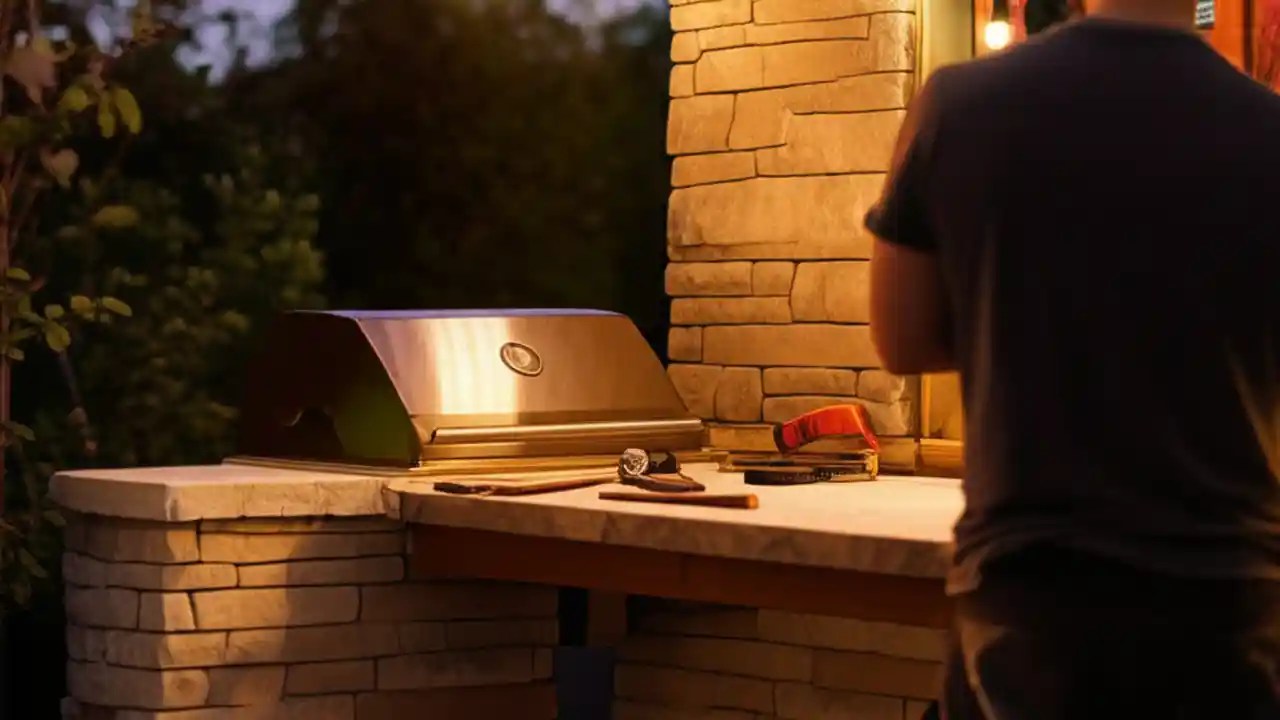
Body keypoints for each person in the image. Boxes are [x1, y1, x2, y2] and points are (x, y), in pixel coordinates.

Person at [865, 0, 1280, 717]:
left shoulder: (958, 104)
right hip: (1226, 607)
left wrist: (1028, 334)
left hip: (1032, 603)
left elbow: (902, 338)